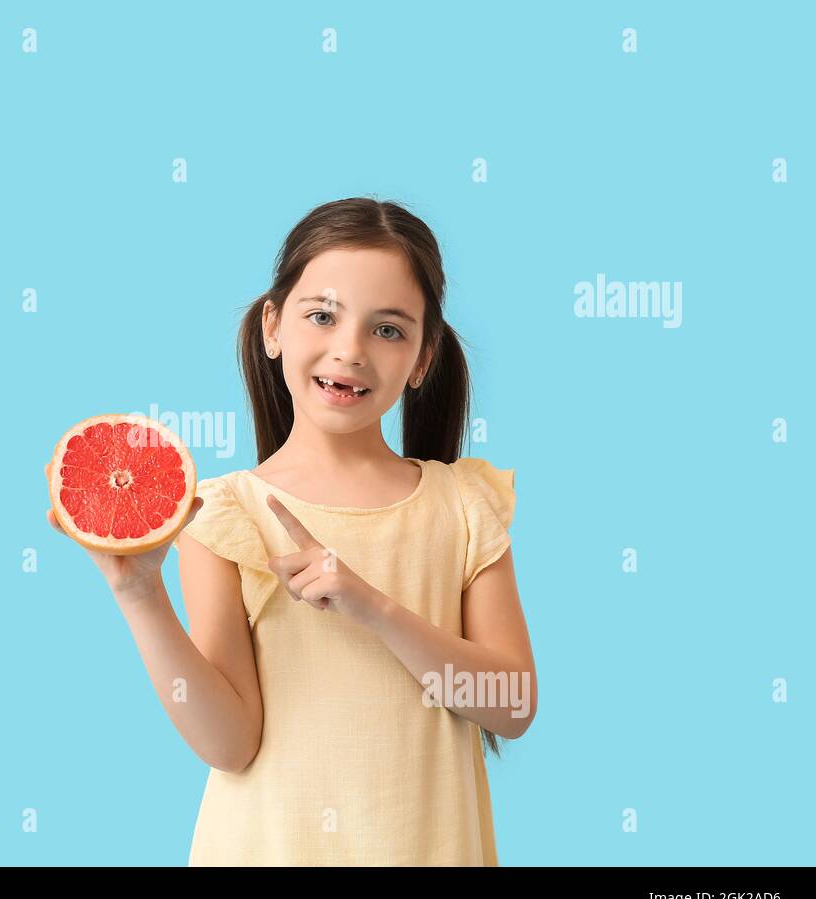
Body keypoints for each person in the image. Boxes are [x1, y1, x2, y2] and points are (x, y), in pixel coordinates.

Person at [47, 197, 535, 865]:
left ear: (424, 358)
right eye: (323, 315)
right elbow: (230, 744)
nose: (350, 350)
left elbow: (510, 705)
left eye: (388, 330)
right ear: (274, 326)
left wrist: (376, 610)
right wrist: (140, 596)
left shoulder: (462, 504)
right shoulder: (222, 514)